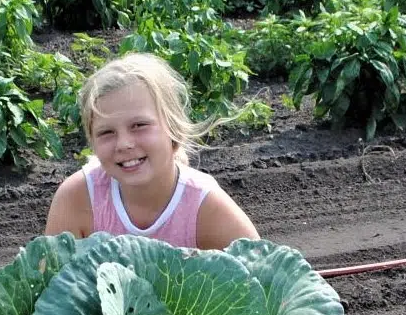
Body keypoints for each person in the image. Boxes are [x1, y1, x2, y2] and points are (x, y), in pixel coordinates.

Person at [44, 53, 258, 250]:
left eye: (139, 125)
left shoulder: (206, 207)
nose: (124, 144)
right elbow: (47, 287)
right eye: (106, 132)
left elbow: (265, 279)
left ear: (173, 129)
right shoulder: (78, 199)